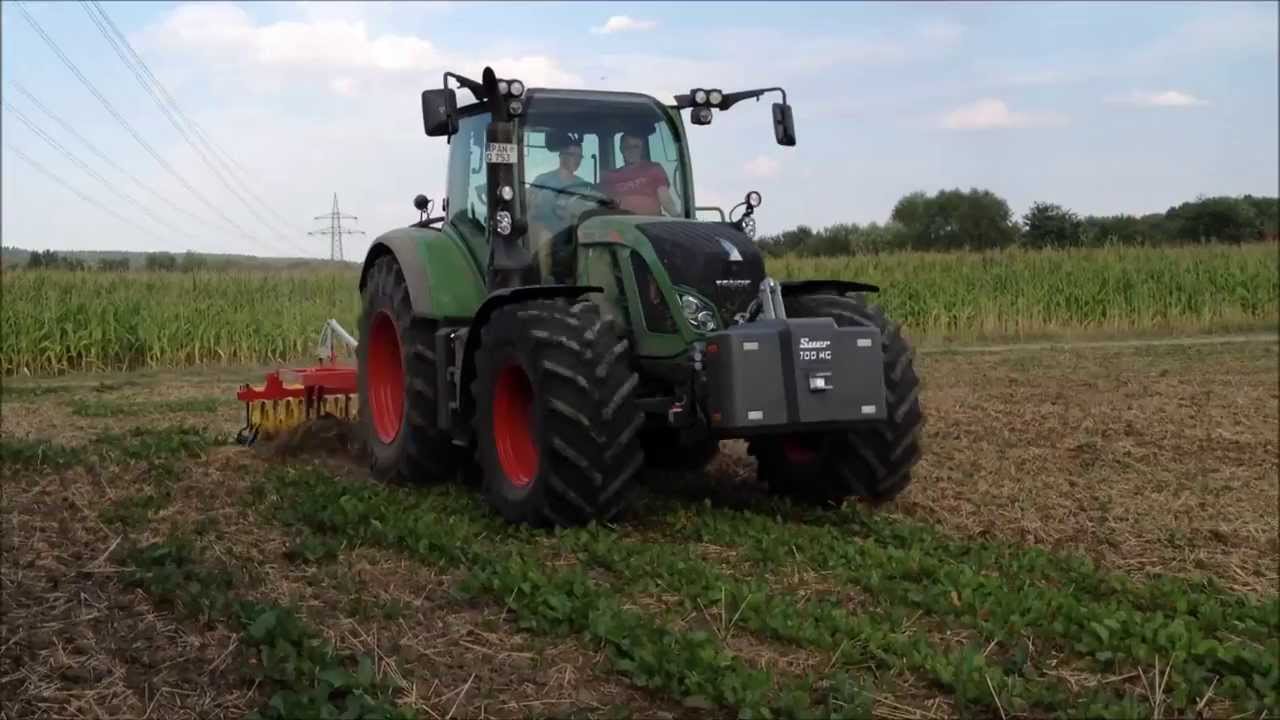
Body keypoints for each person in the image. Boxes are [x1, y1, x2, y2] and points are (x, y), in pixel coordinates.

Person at [528, 134, 589, 281]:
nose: (577, 160)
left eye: (580, 156)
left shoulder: (583, 184)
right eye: (573, 155)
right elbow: (529, 204)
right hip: (548, 226)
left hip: (573, 228)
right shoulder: (543, 180)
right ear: (561, 156)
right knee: (544, 239)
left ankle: (582, 284)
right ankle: (545, 281)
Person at [601, 130, 680, 216]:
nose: (632, 150)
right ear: (621, 149)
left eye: (636, 147)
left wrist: (677, 216)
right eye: (627, 147)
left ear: (641, 149)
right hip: (620, 225)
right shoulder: (610, 176)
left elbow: (665, 199)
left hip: (649, 224)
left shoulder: (654, 169)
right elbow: (605, 205)